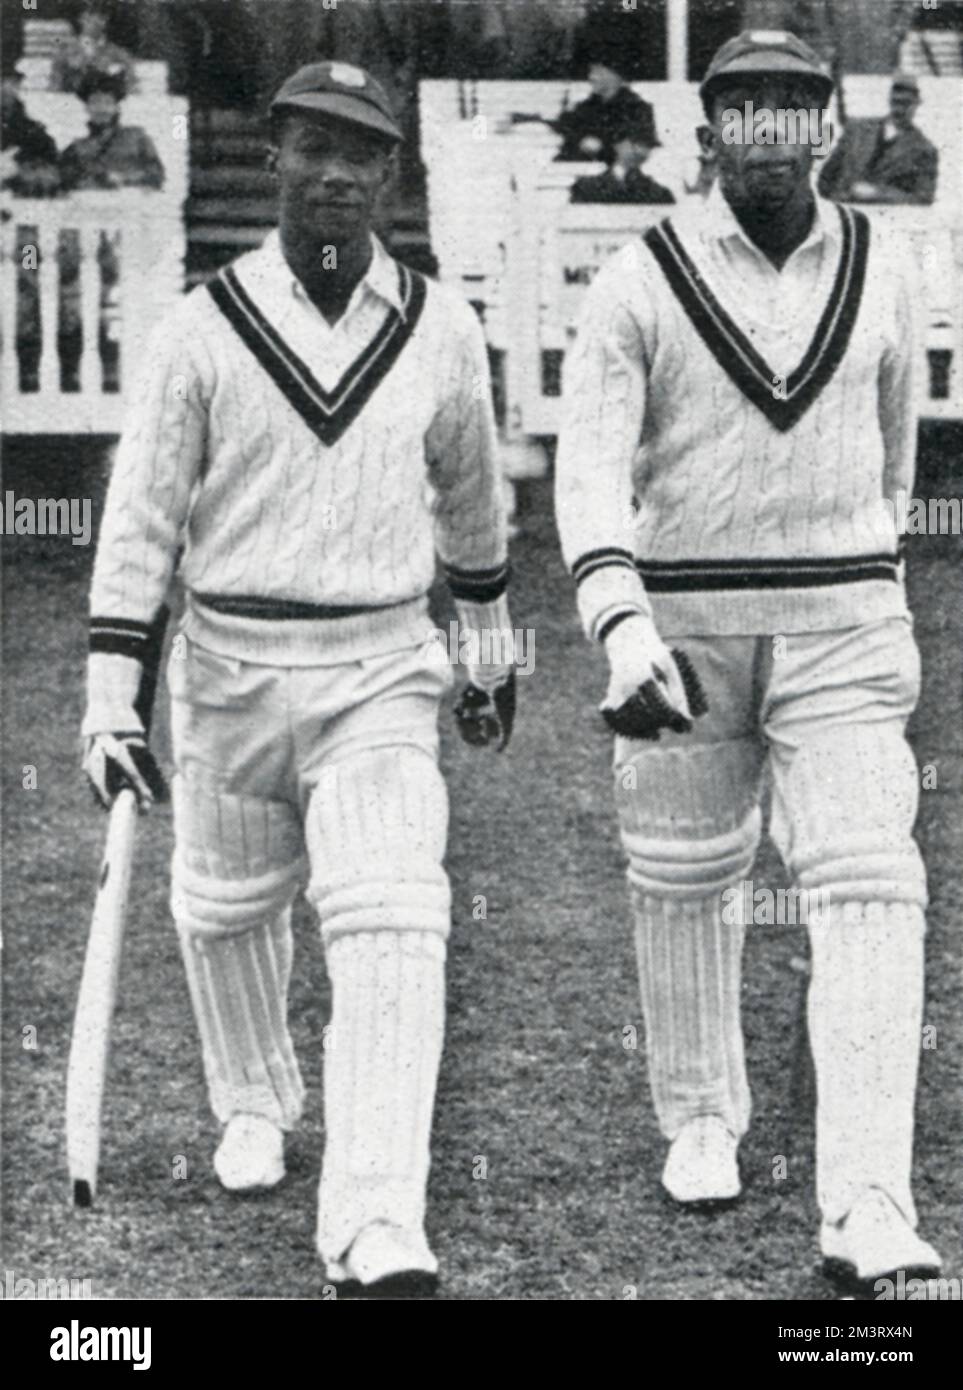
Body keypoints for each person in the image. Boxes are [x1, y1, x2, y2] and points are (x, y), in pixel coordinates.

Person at [81, 60, 515, 1299]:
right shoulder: (199, 328)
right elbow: (141, 521)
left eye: (359, 153)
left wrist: (485, 650)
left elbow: (476, 505)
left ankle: (378, 1220)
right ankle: (256, 1097)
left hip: (379, 666)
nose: (333, 173)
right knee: (224, 910)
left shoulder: (439, 327)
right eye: (311, 147)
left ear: (390, 171)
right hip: (221, 665)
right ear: (273, 155)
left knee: (392, 919)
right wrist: (113, 695)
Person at [555, 30, 941, 1292]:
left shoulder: (889, 264)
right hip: (681, 627)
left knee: (873, 885)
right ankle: (703, 1118)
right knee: (682, 879)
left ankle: (870, 1197)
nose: (769, 131)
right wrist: (622, 625)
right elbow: (592, 468)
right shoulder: (635, 280)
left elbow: (894, 459)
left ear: (826, 127)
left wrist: (863, 577)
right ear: (706, 130)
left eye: (793, 106)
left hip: (841, 625)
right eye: (744, 109)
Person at [58, 67, 164, 391]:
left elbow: (156, 176)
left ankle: (119, 369)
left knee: (118, 299)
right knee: (78, 297)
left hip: (127, 235)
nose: (101, 108)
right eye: (94, 102)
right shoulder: (76, 148)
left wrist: (123, 181)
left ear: (118, 105)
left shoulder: (137, 138)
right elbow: (63, 185)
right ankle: (75, 367)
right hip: (87, 234)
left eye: (107, 101)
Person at [818, 74, 939, 206]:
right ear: (889, 100)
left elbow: (923, 198)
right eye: (896, 102)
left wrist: (878, 193)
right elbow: (826, 178)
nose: (899, 109)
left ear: (916, 105)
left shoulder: (924, 150)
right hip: (843, 213)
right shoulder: (857, 131)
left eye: (906, 104)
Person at [555, 52, 660, 166]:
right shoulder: (585, 108)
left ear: (615, 75)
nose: (591, 77)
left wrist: (601, 148)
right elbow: (568, 139)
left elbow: (638, 150)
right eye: (591, 72)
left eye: (598, 72)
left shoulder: (637, 109)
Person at [570, 113, 675, 205]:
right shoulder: (586, 188)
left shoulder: (659, 194)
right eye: (635, 143)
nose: (640, 151)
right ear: (617, 144)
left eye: (647, 146)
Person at [50, 1, 138, 97]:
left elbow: (131, 88)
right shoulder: (65, 53)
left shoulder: (120, 55)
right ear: (81, 19)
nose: (96, 21)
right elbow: (55, 87)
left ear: (106, 20)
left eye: (101, 17)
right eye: (90, 15)